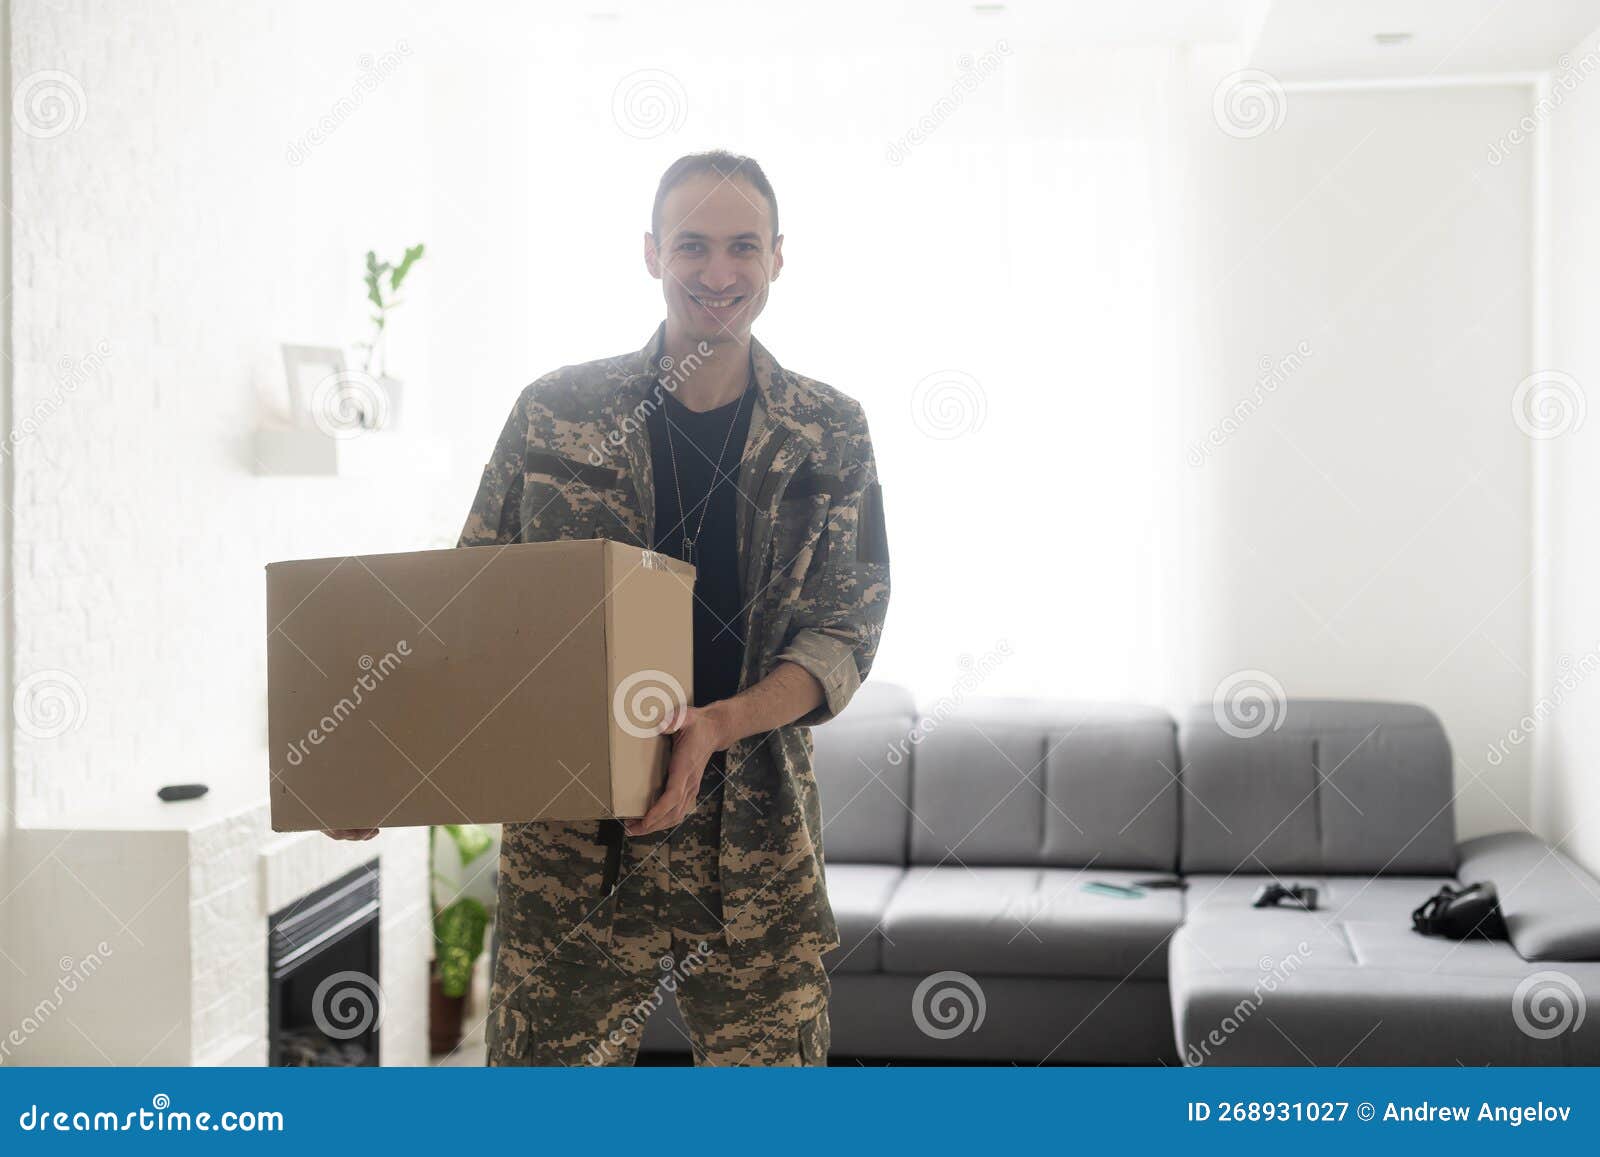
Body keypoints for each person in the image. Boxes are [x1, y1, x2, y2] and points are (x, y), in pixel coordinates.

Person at [329, 150, 889, 1066]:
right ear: (650, 253)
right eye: (693, 246)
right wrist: (384, 773)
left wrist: (719, 723)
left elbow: (845, 630)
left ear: (779, 257)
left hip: (755, 848)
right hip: (570, 856)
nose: (718, 273)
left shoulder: (830, 430)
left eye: (743, 247)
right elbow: (471, 613)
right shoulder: (555, 413)